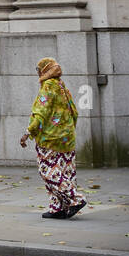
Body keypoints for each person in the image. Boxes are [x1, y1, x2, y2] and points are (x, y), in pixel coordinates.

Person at [20, 57, 86, 219]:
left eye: (38, 70)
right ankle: (58, 208)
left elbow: (41, 113)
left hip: (50, 139)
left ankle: (76, 199)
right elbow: (74, 112)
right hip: (66, 138)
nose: (37, 73)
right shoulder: (61, 86)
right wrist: (67, 131)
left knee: (48, 171)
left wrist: (28, 133)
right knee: (65, 171)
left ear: (44, 70)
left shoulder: (48, 87)